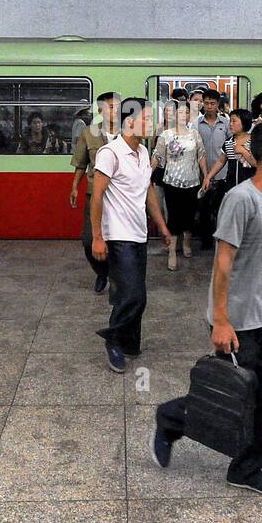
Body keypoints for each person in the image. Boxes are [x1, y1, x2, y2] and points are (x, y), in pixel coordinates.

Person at [150, 120, 262, 498]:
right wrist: (221, 321)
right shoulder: (241, 198)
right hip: (237, 320)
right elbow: (222, 263)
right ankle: (171, 418)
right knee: (225, 397)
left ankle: (246, 469)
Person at [90, 97, 172, 373]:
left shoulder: (142, 153)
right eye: (148, 119)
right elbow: (97, 197)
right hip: (118, 235)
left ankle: (129, 343)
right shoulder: (110, 153)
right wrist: (97, 237)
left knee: (134, 294)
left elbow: (148, 192)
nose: (153, 124)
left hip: (139, 234)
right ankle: (113, 340)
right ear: (129, 122)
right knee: (132, 294)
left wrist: (161, 225)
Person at [70, 92, 121, 293]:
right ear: (100, 110)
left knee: (118, 239)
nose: (114, 110)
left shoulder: (128, 133)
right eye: (110, 106)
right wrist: (74, 186)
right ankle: (101, 272)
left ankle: (117, 276)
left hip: (120, 195)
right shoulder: (89, 133)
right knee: (89, 239)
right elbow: (81, 163)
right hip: (96, 194)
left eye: (117, 106)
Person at [152, 99, 207, 271]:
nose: (183, 115)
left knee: (190, 214)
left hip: (192, 181)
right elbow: (157, 156)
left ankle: (187, 243)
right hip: (172, 181)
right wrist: (146, 174)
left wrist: (206, 176)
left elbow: (201, 155)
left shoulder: (194, 134)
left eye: (186, 113)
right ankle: (172, 252)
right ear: (174, 115)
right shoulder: (166, 135)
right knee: (174, 216)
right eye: (180, 112)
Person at [194, 88, 232, 251]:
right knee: (203, 208)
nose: (209, 106)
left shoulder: (226, 124)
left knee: (220, 208)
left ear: (218, 105)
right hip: (201, 172)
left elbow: (230, 145)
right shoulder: (196, 123)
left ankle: (221, 238)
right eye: (206, 103)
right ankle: (205, 240)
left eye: (212, 103)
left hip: (222, 172)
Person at [203, 108, 256, 194]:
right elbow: (221, 161)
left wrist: (243, 151)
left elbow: (257, 163)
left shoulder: (254, 140)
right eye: (230, 121)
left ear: (244, 122)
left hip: (250, 187)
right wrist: (208, 177)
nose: (230, 124)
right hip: (232, 187)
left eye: (234, 121)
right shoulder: (229, 142)